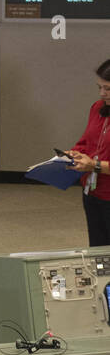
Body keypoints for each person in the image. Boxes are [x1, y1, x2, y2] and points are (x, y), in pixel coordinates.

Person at [68, 60, 110, 247]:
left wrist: (95, 165)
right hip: (92, 192)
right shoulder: (97, 108)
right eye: (99, 87)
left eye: (107, 89)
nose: (102, 93)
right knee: (98, 252)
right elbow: (87, 142)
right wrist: (75, 154)